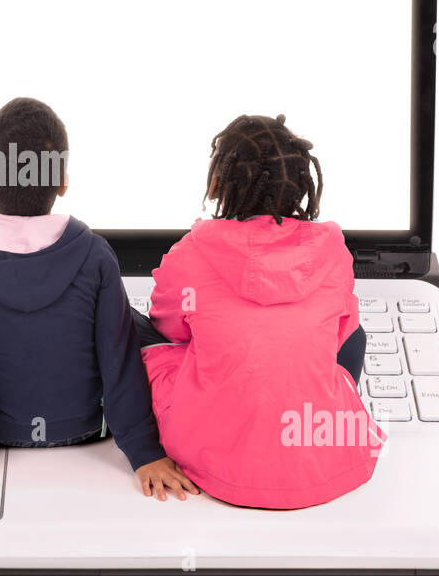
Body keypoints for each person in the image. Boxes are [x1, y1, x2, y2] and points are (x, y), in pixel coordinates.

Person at [0, 97, 197, 501]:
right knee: (128, 324)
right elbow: (117, 362)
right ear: (63, 182)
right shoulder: (96, 253)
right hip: (86, 428)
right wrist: (144, 452)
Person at [134, 113, 382, 509]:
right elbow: (339, 334)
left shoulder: (193, 252)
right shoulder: (333, 249)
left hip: (218, 458)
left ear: (218, 183)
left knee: (135, 325)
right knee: (354, 330)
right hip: (324, 447)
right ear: (301, 183)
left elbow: (170, 328)